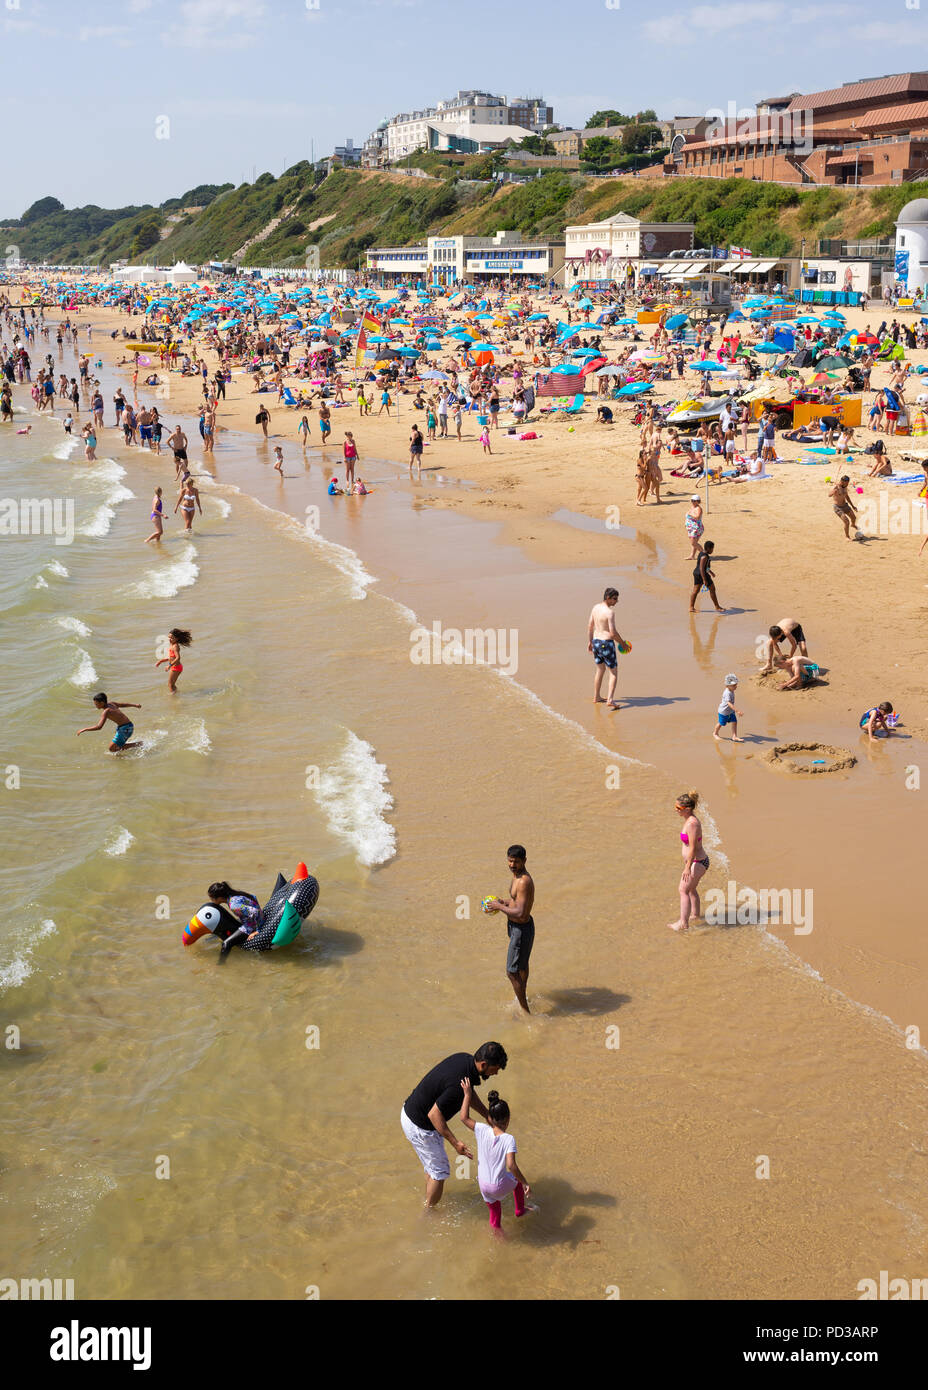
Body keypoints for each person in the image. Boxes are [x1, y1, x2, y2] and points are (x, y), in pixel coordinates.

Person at [400, 1042, 508, 1209]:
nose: (496, 1073)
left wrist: (487, 1116)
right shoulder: (458, 1084)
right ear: (484, 1065)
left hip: (411, 1112)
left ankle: (429, 1196)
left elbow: (468, 1094)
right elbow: (434, 1115)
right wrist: (455, 1143)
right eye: (496, 1068)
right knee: (440, 1171)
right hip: (420, 1125)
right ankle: (428, 1212)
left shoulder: (464, 1060)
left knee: (433, 1166)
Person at [459, 1078, 531, 1233]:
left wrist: (467, 1094)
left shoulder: (482, 1129)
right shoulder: (508, 1139)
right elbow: (512, 1166)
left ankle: (499, 1237)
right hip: (498, 1185)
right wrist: (525, 1183)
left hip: (483, 1184)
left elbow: (463, 1117)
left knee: (495, 1217)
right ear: (508, 1119)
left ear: (490, 1118)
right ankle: (520, 1211)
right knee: (517, 1184)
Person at [484, 845, 535, 1014]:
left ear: (524, 861)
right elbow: (517, 902)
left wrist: (499, 906)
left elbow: (520, 912)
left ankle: (525, 1011)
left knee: (511, 972)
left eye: (517, 862)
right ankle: (523, 996)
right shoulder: (516, 876)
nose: (512, 865)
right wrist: (503, 902)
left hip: (521, 929)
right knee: (521, 967)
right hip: (516, 927)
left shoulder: (523, 881)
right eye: (510, 861)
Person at [669, 790, 708, 932]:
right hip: (696, 862)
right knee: (691, 889)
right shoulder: (690, 820)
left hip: (697, 862)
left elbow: (692, 848)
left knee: (683, 890)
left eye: (678, 808)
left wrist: (687, 867)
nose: (676, 810)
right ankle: (695, 915)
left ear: (687, 809)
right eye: (675, 807)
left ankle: (683, 924)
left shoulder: (692, 824)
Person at [587, 586, 628, 710]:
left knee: (600, 670)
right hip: (606, 643)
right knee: (613, 672)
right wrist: (623, 643)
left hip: (596, 642)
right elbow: (613, 633)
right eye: (615, 599)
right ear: (608, 598)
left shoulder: (595, 607)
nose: (616, 601)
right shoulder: (609, 612)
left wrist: (590, 642)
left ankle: (597, 697)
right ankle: (610, 699)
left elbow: (590, 626)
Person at [76, 693, 142, 753]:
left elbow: (99, 727)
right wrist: (135, 705)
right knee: (116, 747)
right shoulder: (111, 704)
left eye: (96, 704)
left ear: (102, 703)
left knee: (112, 749)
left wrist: (84, 729)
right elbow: (123, 705)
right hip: (128, 726)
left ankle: (138, 744)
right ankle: (135, 746)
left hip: (125, 729)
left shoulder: (106, 711)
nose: (95, 705)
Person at [690, 540, 723, 613]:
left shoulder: (701, 553)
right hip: (702, 574)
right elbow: (702, 568)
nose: (712, 550)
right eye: (712, 549)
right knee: (712, 589)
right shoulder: (704, 557)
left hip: (697, 573)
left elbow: (705, 567)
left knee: (695, 591)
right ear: (708, 548)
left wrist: (711, 572)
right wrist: (704, 579)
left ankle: (691, 607)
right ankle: (717, 607)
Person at [155, 628, 192, 693]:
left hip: (176, 668)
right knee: (171, 684)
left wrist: (169, 665)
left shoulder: (175, 646)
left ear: (176, 639)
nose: (169, 639)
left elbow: (178, 658)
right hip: (174, 667)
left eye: (171, 638)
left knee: (170, 684)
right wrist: (160, 661)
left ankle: (174, 696)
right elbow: (171, 657)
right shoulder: (172, 645)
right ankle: (176, 693)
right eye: (169, 637)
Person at [715, 672, 743, 741]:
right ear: (727, 686)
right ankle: (715, 733)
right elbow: (729, 704)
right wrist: (737, 711)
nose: (735, 686)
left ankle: (734, 736)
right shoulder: (727, 693)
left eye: (736, 684)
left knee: (734, 721)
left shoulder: (731, 690)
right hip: (724, 712)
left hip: (730, 711)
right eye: (733, 685)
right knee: (721, 723)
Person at [830, 475, 859, 540]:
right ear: (842, 481)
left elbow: (847, 497)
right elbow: (829, 495)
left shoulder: (845, 487)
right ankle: (847, 537)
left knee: (854, 517)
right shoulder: (836, 487)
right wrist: (833, 492)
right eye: (846, 483)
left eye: (848, 483)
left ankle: (853, 525)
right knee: (846, 521)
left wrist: (853, 506)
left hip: (845, 506)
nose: (847, 484)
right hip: (838, 508)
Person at [684, 494, 704, 559]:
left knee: (693, 543)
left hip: (696, 528)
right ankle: (692, 556)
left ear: (698, 501)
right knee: (694, 543)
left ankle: (704, 554)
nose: (692, 502)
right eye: (692, 500)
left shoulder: (698, 508)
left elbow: (697, 517)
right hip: (691, 528)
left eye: (694, 501)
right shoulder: (693, 507)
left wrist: (690, 514)